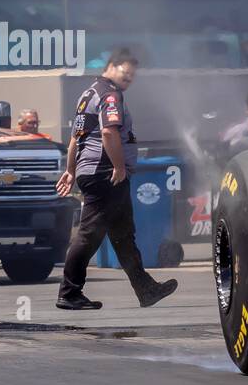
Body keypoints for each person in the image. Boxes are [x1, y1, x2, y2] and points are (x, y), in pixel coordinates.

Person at [56, 49, 177, 310]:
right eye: (126, 72)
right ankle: (69, 292)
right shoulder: (110, 95)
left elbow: (76, 138)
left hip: (94, 171)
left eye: (133, 76)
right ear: (111, 66)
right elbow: (109, 133)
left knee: (123, 235)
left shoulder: (88, 93)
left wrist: (71, 170)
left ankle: (146, 289)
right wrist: (119, 166)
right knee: (89, 234)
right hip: (106, 173)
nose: (129, 79)